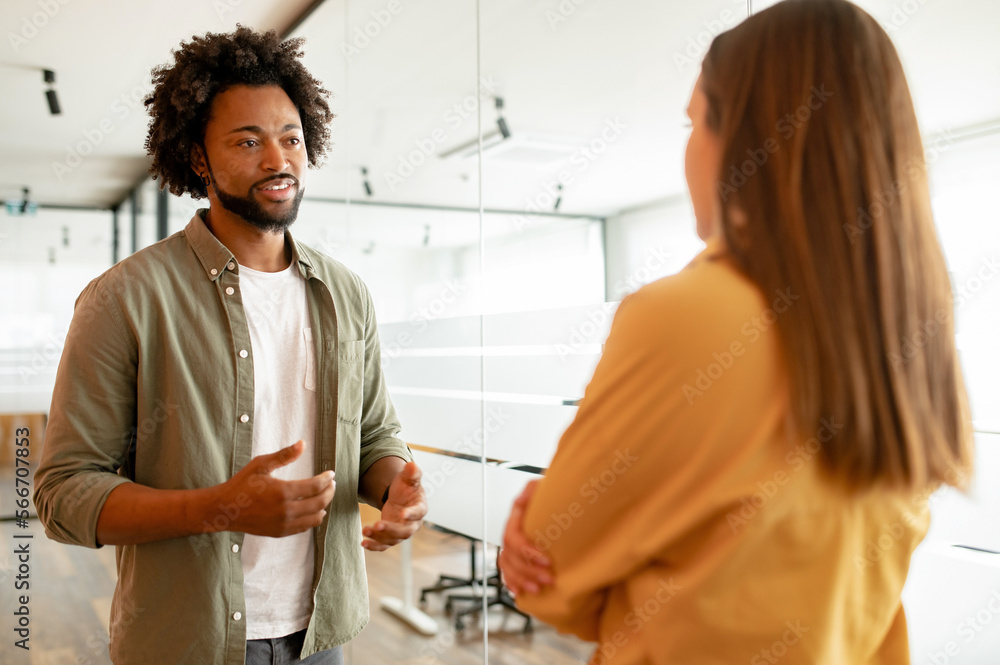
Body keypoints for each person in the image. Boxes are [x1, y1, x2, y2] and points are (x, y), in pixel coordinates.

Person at [498, 1, 974, 663]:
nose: (688, 149)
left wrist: (549, 526)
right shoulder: (914, 326)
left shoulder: (685, 315)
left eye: (695, 122)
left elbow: (550, 574)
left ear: (750, 142)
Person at [33, 27, 426, 665]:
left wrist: (396, 487)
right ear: (196, 157)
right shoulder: (124, 297)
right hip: (187, 639)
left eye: (291, 138)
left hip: (324, 633)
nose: (279, 160)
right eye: (248, 141)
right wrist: (218, 508)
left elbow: (376, 434)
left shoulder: (346, 293)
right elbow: (64, 494)